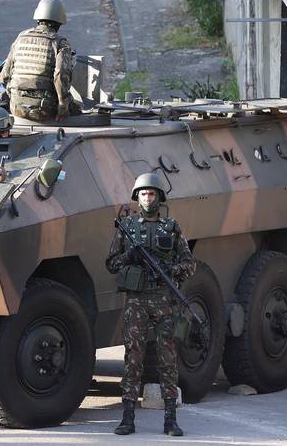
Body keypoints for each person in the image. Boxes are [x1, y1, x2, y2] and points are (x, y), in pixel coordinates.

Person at [105, 172, 195, 437]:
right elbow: (111, 264)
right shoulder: (127, 227)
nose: (147, 197)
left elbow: (189, 264)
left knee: (168, 359)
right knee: (133, 358)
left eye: (152, 193)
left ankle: (170, 419)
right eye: (143, 193)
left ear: (159, 196)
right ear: (137, 197)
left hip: (165, 300)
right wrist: (129, 256)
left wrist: (170, 269)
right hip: (137, 302)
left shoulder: (172, 226)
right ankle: (127, 418)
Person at [0, 0, 80, 122]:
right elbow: (60, 76)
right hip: (44, 110)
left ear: (38, 18)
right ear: (59, 22)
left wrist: (15, 95)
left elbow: (4, 76)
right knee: (78, 109)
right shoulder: (60, 43)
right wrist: (63, 105)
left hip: (16, 108)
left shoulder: (21, 37)